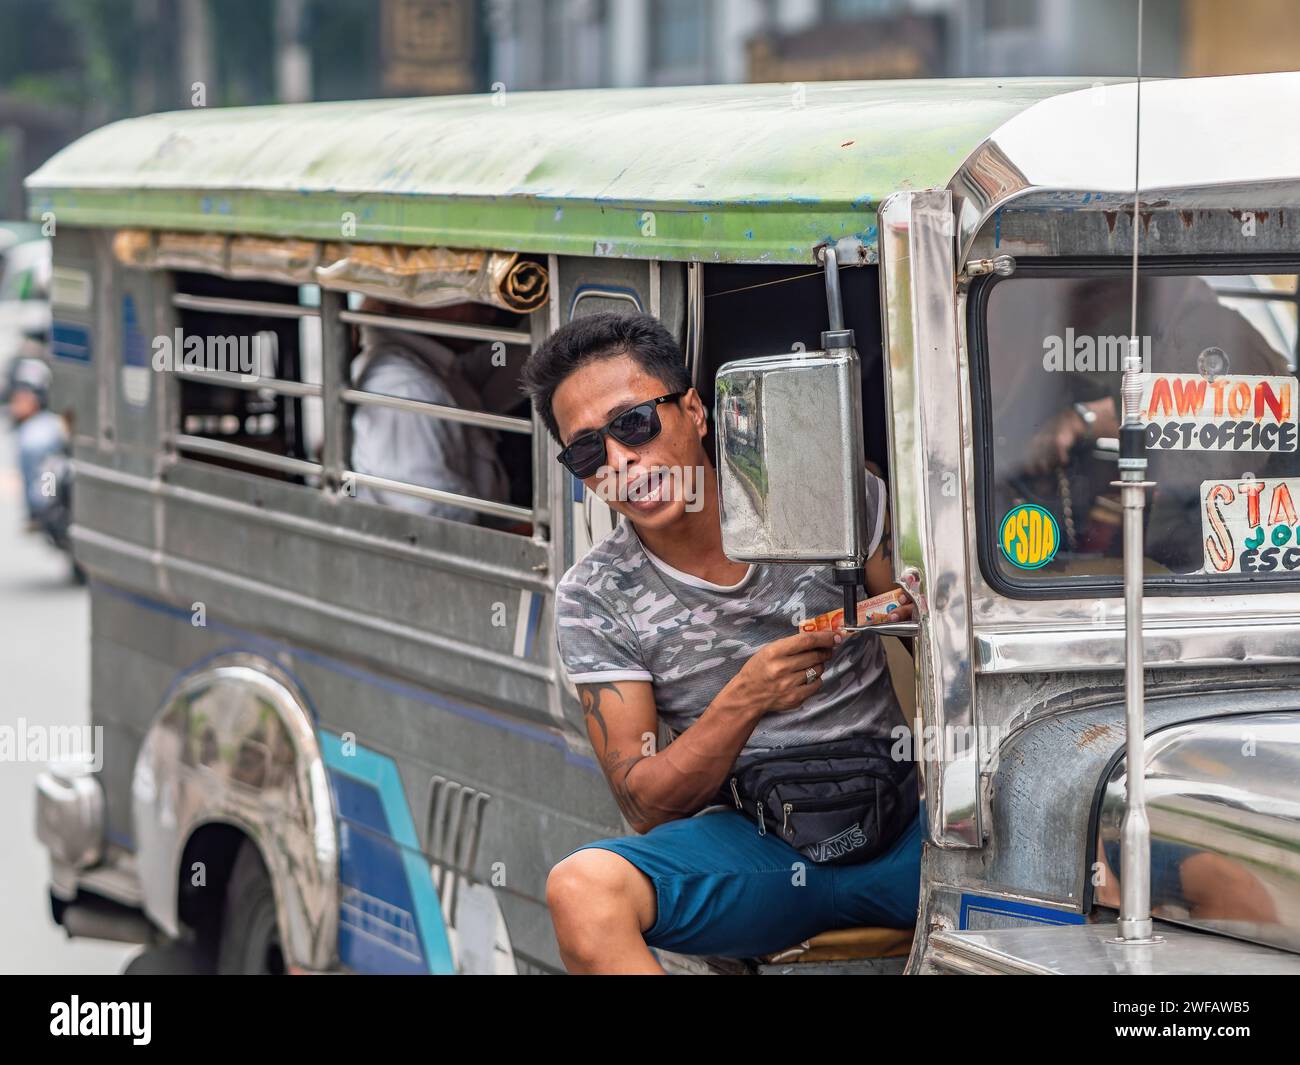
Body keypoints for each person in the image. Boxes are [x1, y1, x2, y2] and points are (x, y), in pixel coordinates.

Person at [521, 311, 922, 974]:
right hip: (759, 853)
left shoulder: (830, 499)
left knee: (1083, 837)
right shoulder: (595, 597)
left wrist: (896, 613)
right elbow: (644, 802)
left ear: (695, 411)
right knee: (583, 892)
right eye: (587, 451)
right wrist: (746, 697)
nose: (619, 461)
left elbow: (937, 638)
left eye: (633, 423)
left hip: (903, 828)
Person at [349, 298, 510, 526]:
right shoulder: (408, 388)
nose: (490, 312)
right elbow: (434, 520)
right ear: (411, 300)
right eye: (462, 295)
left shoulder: (432, 371)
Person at [4, 353, 66, 530]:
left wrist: (43, 506)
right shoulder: (45, 425)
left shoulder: (36, 435)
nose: (15, 402)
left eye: (22, 395)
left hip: (52, 514)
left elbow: (50, 474)